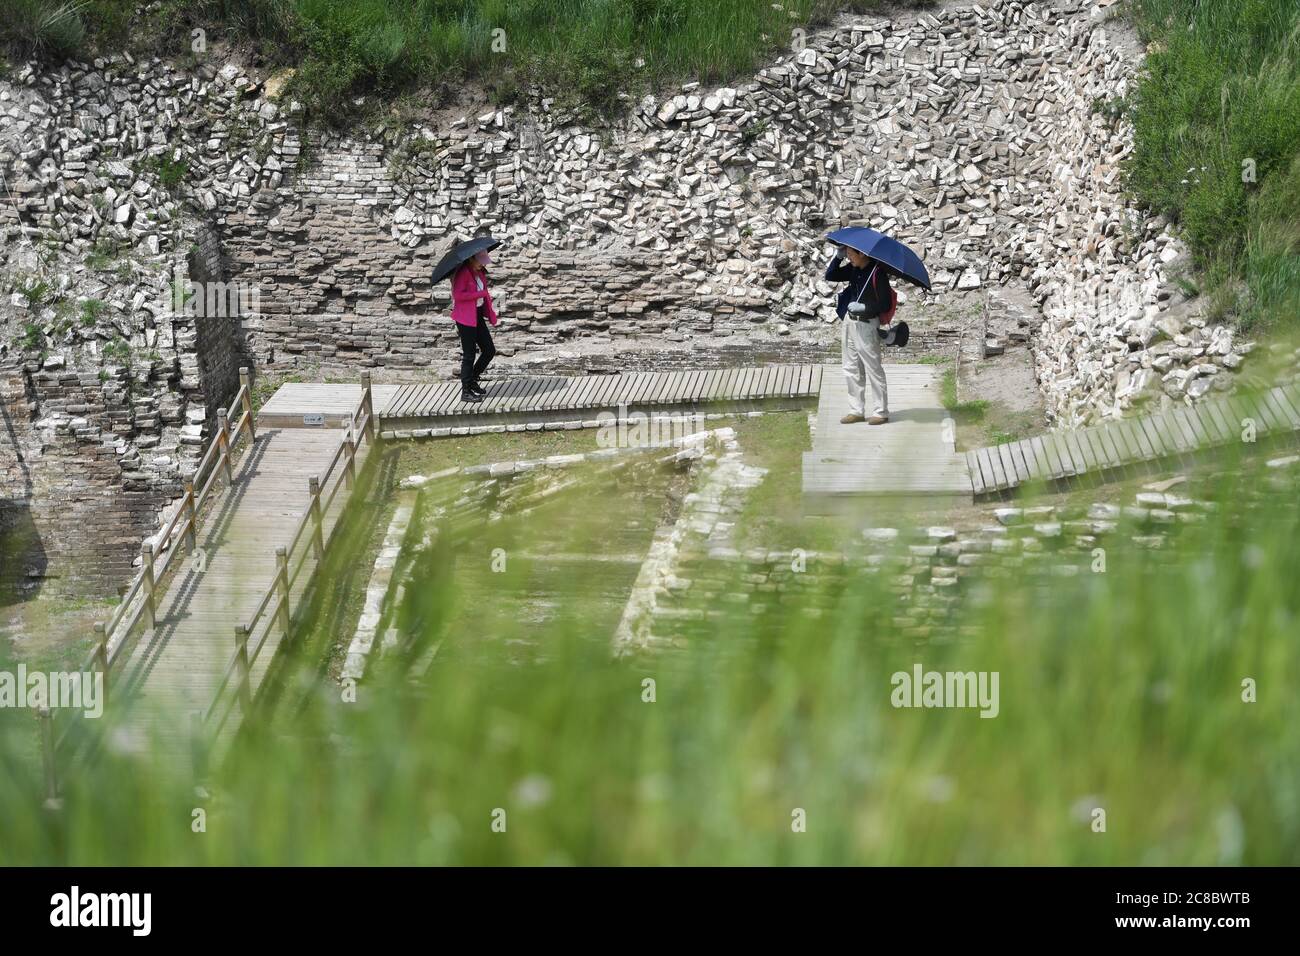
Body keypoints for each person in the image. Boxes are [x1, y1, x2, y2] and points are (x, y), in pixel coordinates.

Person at [827, 245, 891, 425]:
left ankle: (881, 412)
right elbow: (831, 276)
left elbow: (885, 304)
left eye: (850, 254)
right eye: (846, 255)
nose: (849, 258)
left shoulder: (878, 273)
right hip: (850, 321)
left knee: (873, 367)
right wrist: (837, 258)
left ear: (862, 253)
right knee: (851, 367)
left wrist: (865, 307)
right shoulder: (853, 268)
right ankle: (856, 410)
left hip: (867, 324)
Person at [450, 249, 498, 403]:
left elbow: (483, 292)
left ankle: (472, 381)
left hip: (476, 314)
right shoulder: (463, 272)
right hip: (465, 317)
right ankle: (465, 391)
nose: (482, 265)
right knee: (469, 354)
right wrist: (480, 294)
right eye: (480, 262)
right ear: (472, 259)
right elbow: (458, 295)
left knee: (489, 350)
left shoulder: (479, 272)